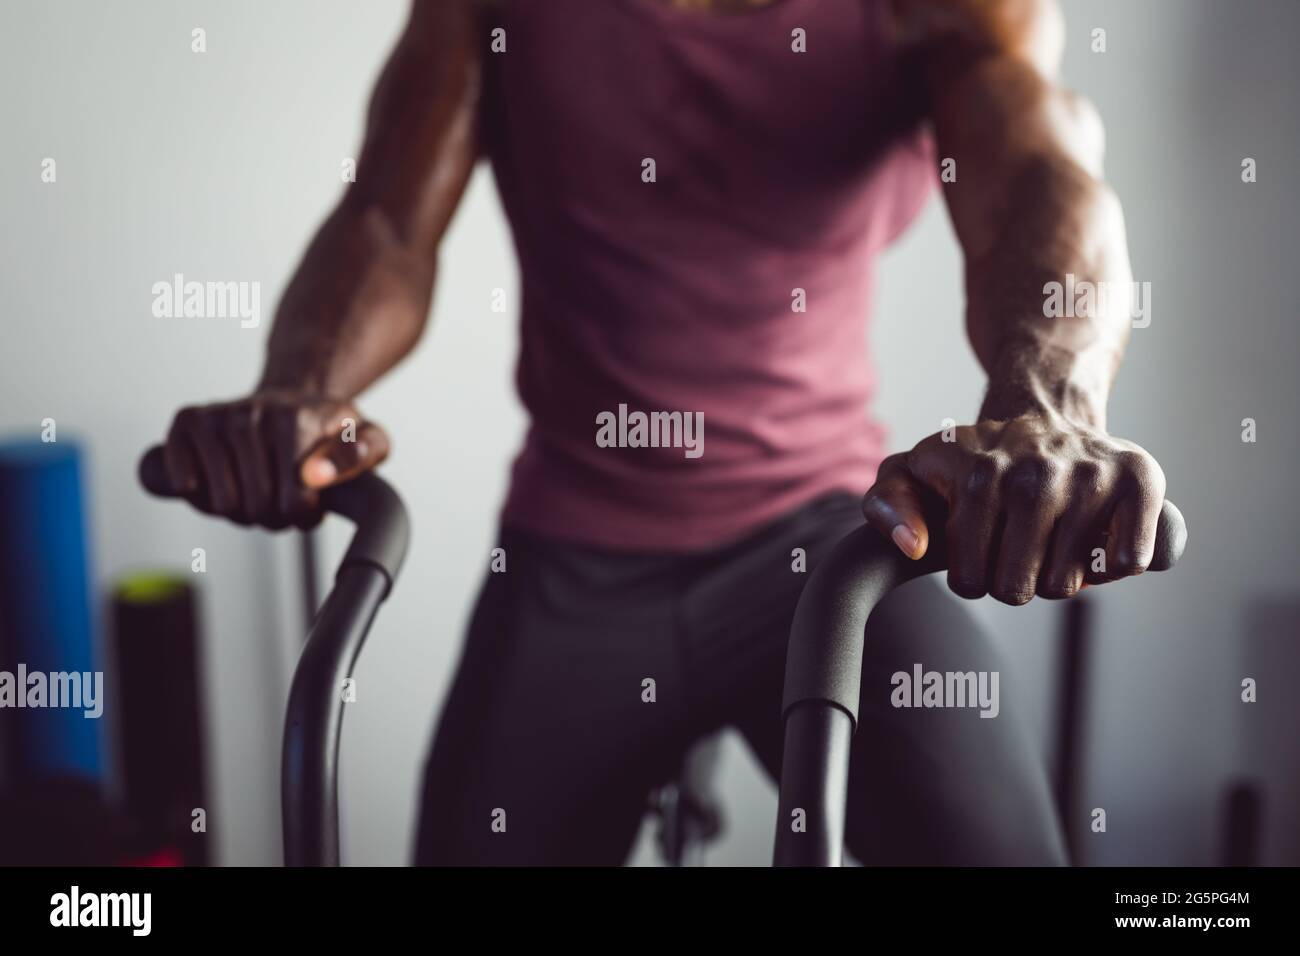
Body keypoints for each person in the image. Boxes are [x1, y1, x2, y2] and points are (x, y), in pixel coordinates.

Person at [151, 0, 1165, 865]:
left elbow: (1040, 173)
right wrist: (298, 389)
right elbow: (385, 219)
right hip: (573, 555)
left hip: (830, 545)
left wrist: (1049, 405)